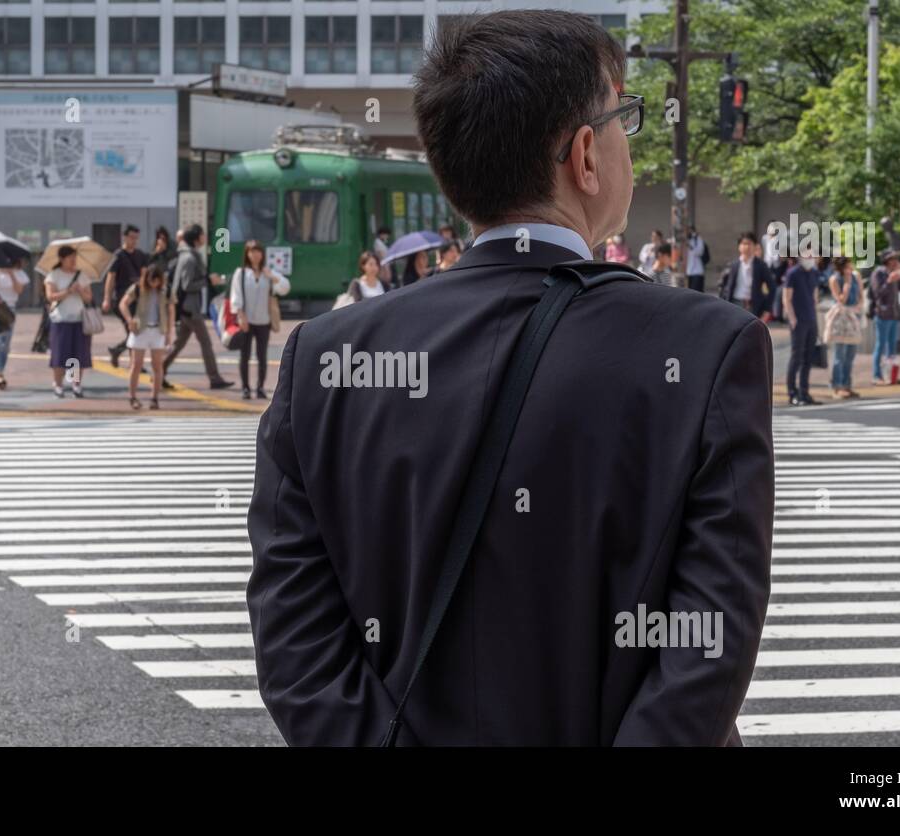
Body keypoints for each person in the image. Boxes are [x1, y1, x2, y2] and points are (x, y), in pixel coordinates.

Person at [246, 10, 773, 746]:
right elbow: (709, 639)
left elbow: (296, 643)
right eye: (625, 117)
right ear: (585, 155)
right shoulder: (710, 346)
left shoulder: (324, 360)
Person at [161, 224, 234, 391]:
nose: (205, 237)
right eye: (203, 235)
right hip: (190, 309)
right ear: (196, 238)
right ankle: (214, 378)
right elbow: (187, 285)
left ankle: (160, 371)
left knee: (179, 344)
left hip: (187, 308)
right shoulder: (190, 258)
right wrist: (208, 281)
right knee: (206, 343)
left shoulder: (188, 255)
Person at [230, 240, 291, 399]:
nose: (255, 255)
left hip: (264, 321)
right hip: (246, 321)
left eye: (257, 251)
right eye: (251, 252)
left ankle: (260, 387)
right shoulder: (241, 273)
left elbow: (285, 287)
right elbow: (236, 296)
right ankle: (245, 387)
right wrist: (240, 315)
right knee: (245, 355)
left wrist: (272, 277)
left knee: (262, 355)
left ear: (262, 254)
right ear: (247, 254)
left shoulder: (268, 273)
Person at [119, 258, 175, 409]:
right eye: (151, 281)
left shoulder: (166, 290)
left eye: (156, 281)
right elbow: (123, 303)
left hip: (158, 330)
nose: (153, 284)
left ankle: (154, 398)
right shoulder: (138, 288)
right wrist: (129, 320)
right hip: (140, 330)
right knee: (136, 365)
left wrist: (170, 333)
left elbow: (171, 310)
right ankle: (132, 397)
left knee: (157, 366)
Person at [44, 245, 93, 398]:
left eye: (74, 258)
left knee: (77, 354)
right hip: (60, 319)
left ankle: (75, 384)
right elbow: (50, 296)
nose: (73, 261)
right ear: (62, 259)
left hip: (79, 319)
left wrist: (81, 290)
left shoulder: (82, 275)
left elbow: (89, 298)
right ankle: (58, 384)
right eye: (70, 258)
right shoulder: (54, 275)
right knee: (59, 354)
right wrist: (68, 291)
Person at [103, 224, 149, 368]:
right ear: (125, 237)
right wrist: (107, 299)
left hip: (137, 298)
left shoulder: (141, 255)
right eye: (131, 237)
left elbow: (144, 276)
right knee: (132, 329)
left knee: (135, 330)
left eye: (136, 238)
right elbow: (110, 278)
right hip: (122, 299)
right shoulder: (118, 255)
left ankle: (118, 352)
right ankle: (135, 363)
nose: (134, 240)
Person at [782, 246, 821, 405]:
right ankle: (792, 393)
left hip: (811, 319)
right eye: (808, 254)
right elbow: (787, 298)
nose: (811, 257)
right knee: (796, 357)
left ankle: (804, 392)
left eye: (814, 254)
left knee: (808, 358)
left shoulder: (814, 272)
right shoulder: (793, 273)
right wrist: (792, 318)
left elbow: (814, 295)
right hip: (798, 321)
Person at [825, 257, 862, 399]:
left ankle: (847, 385)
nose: (850, 267)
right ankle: (837, 386)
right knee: (839, 354)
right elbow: (841, 299)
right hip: (841, 318)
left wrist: (859, 306)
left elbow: (860, 294)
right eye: (848, 265)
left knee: (850, 354)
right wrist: (846, 284)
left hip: (854, 316)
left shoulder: (856, 276)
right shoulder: (834, 279)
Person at [869, 249, 900, 385]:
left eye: (896, 259)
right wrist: (889, 281)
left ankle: (890, 375)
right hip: (882, 314)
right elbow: (877, 293)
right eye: (893, 259)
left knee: (892, 346)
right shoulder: (878, 273)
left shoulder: (896, 273)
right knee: (880, 345)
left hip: (895, 314)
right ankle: (876, 375)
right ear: (887, 261)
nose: (896, 261)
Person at [0, 256, 29, 390]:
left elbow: (18, 290)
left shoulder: (19, 273)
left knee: (5, 344)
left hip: (9, 310)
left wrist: (11, 273)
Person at [718, 232, 775, 319]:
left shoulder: (761, 265)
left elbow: (772, 287)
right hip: (734, 303)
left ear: (755, 246)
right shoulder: (733, 265)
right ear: (739, 246)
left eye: (749, 244)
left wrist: (767, 309)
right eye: (744, 244)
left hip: (753, 305)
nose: (747, 247)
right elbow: (724, 286)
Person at [684, 225, 709, 292]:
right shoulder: (685, 240)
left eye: (688, 230)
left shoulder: (697, 239)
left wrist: (690, 246)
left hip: (697, 271)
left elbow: (699, 252)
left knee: (696, 292)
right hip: (688, 272)